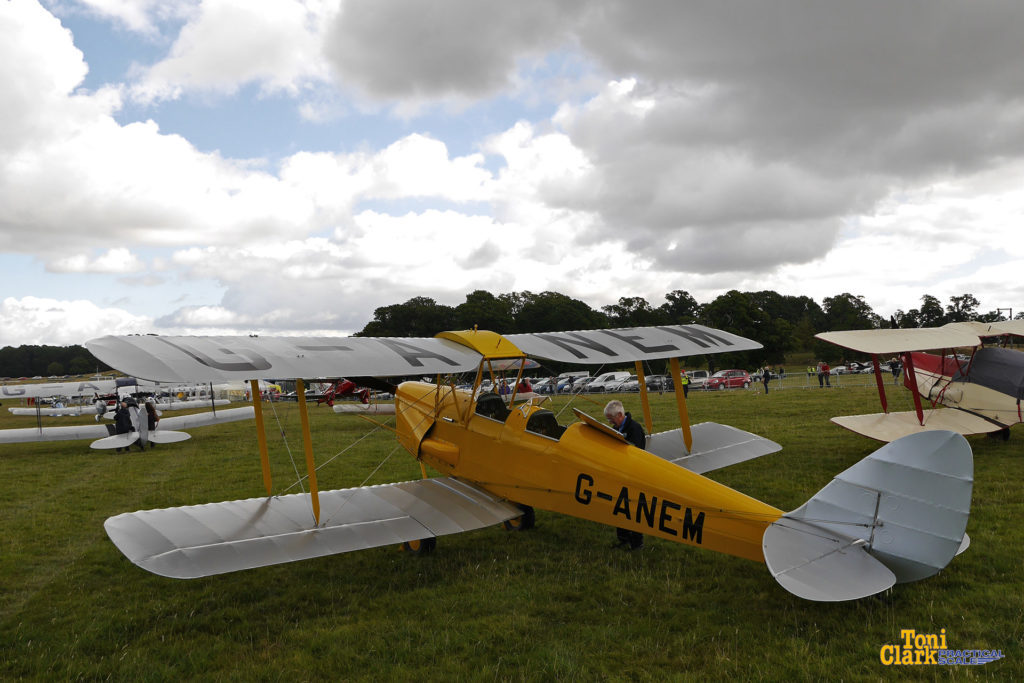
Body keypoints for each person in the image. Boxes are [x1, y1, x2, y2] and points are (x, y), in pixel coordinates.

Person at [604, 400, 645, 550]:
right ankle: (623, 539)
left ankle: (636, 543)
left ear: (620, 415)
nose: (610, 422)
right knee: (619, 508)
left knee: (632, 510)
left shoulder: (635, 429)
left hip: (633, 475)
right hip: (620, 475)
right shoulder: (617, 428)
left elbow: (634, 453)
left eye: (611, 419)